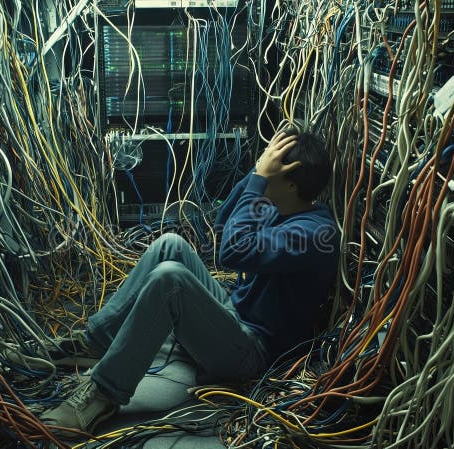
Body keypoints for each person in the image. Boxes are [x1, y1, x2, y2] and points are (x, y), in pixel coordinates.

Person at [40, 129, 338, 434]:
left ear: (289, 184)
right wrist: (256, 173)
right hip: (235, 313)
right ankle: (94, 342)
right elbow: (224, 221)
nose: (262, 172)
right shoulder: (285, 205)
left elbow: (232, 252)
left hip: (254, 351)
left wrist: (259, 181)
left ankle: (103, 394)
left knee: (172, 280)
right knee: (170, 244)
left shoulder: (312, 235)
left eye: (269, 170)